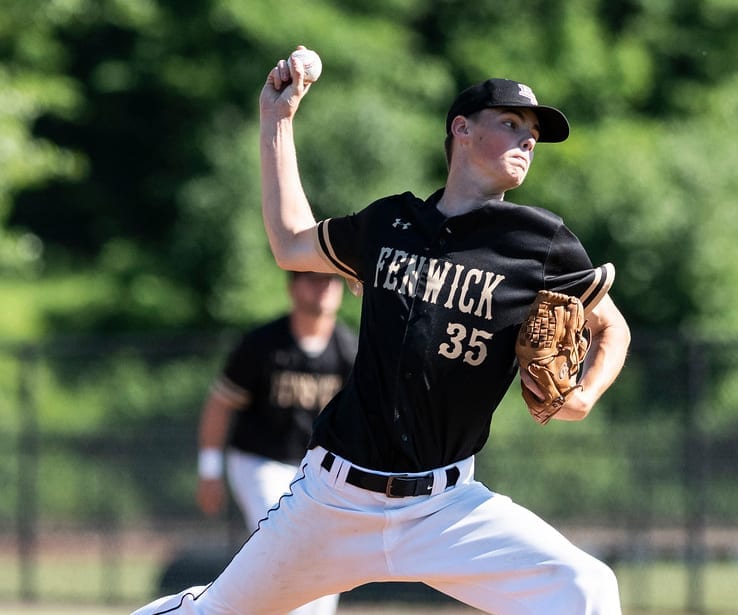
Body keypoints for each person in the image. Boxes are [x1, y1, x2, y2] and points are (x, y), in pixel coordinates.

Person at [132, 46, 631, 615]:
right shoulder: (392, 223)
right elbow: (292, 241)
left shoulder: (540, 242)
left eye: (534, 136)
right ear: (461, 129)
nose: (527, 141)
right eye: (512, 124)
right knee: (215, 613)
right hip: (334, 500)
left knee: (585, 588)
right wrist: (278, 120)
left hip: (446, 510)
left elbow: (611, 326)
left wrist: (585, 394)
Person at [195, 269, 357, 615]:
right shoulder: (263, 344)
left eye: (330, 279)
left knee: (326, 546)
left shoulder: (349, 349)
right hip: (259, 461)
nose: (324, 287)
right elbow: (220, 404)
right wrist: (209, 470)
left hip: (316, 470)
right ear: (292, 287)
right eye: (313, 278)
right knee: (287, 535)